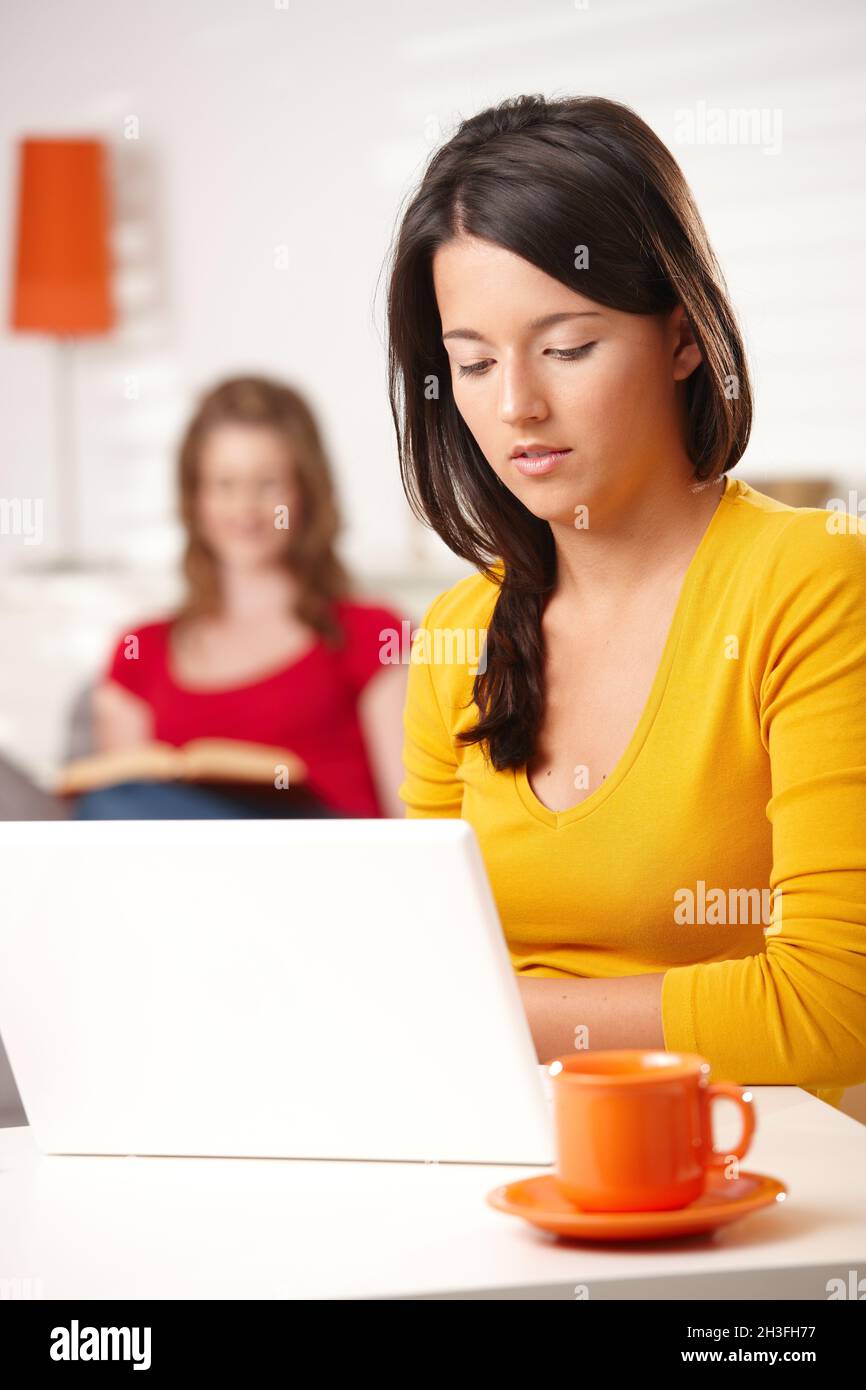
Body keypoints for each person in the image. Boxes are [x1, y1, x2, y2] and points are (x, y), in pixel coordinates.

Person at [388, 94, 866, 1109]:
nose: (514, 403)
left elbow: (836, 1003)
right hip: (519, 1163)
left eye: (565, 347)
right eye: (471, 362)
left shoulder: (810, 578)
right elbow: (422, 973)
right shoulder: (455, 637)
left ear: (682, 337)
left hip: (762, 1173)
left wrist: (500, 1019)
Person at [77, 375, 408, 819]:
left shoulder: (373, 632)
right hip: (190, 873)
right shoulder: (140, 651)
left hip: (328, 863)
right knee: (113, 802)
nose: (245, 510)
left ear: (305, 494)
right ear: (195, 500)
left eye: (267, 485)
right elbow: (130, 820)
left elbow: (413, 817)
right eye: (224, 485)